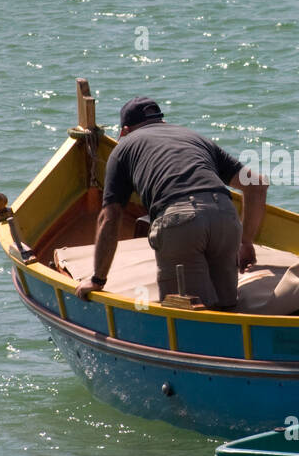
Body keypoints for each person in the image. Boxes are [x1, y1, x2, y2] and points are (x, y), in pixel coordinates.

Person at [75, 97, 267, 310]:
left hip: (180, 221)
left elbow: (109, 218)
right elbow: (257, 185)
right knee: (227, 309)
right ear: (162, 122)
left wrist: (97, 279)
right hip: (225, 215)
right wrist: (245, 242)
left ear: (124, 131)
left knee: (189, 312)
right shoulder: (194, 138)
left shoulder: (124, 147)